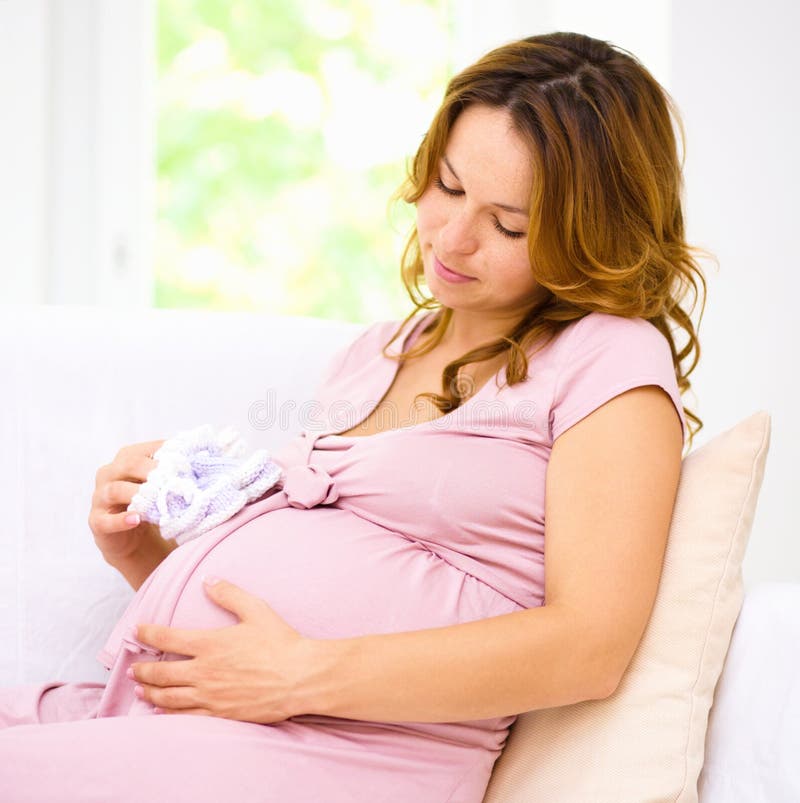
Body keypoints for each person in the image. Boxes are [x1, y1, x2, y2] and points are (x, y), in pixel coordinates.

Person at [0, 30, 706, 803]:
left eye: (509, 224)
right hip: (209, 716)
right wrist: (147, 556)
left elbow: (590, 645)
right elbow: (302, 588)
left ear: (590, 235)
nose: (454, 236)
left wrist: (301, 675)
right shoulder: (378, 352)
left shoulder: (607, 357)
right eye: (447, 184)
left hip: (350, 757)